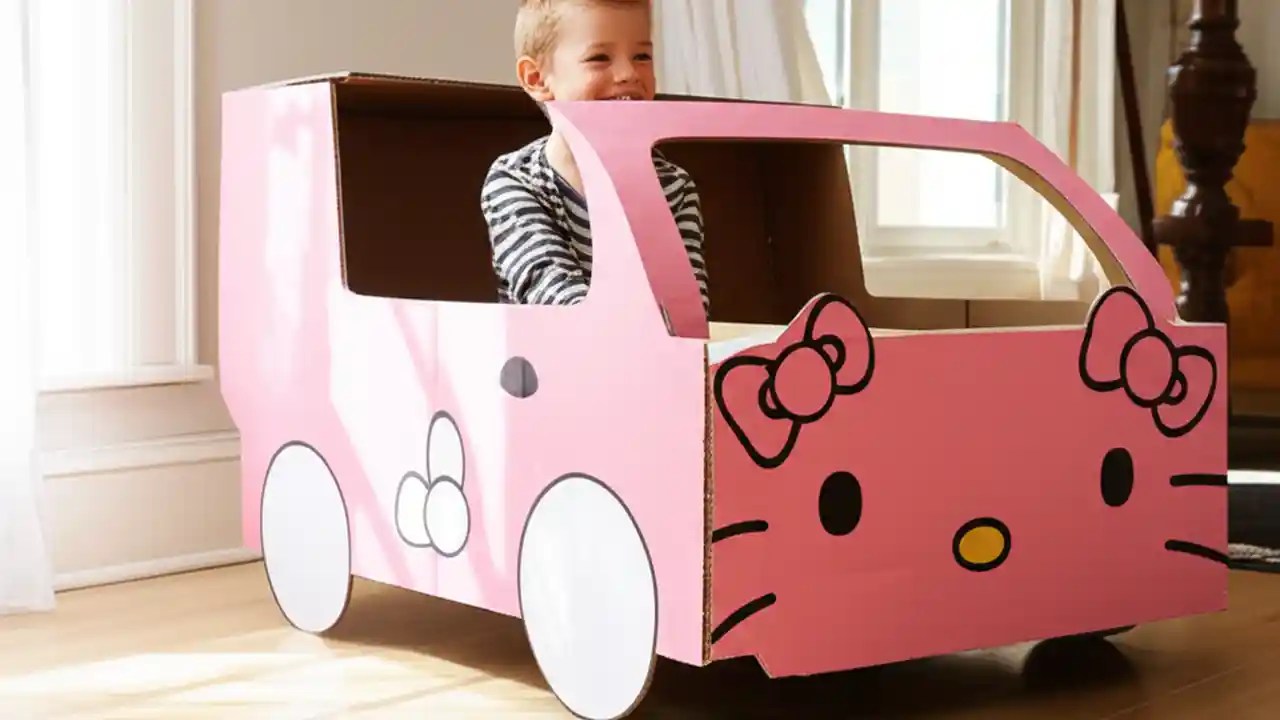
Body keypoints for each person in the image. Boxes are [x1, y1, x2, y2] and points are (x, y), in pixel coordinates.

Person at [480, 0, 710, 313]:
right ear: (536, 79)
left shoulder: (674, 185)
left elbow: (687, 311)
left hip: (647, 357)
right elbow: (551, 295)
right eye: (599, 58)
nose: (629, 73)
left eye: (642, 56)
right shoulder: (516, 180)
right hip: (548, 357)